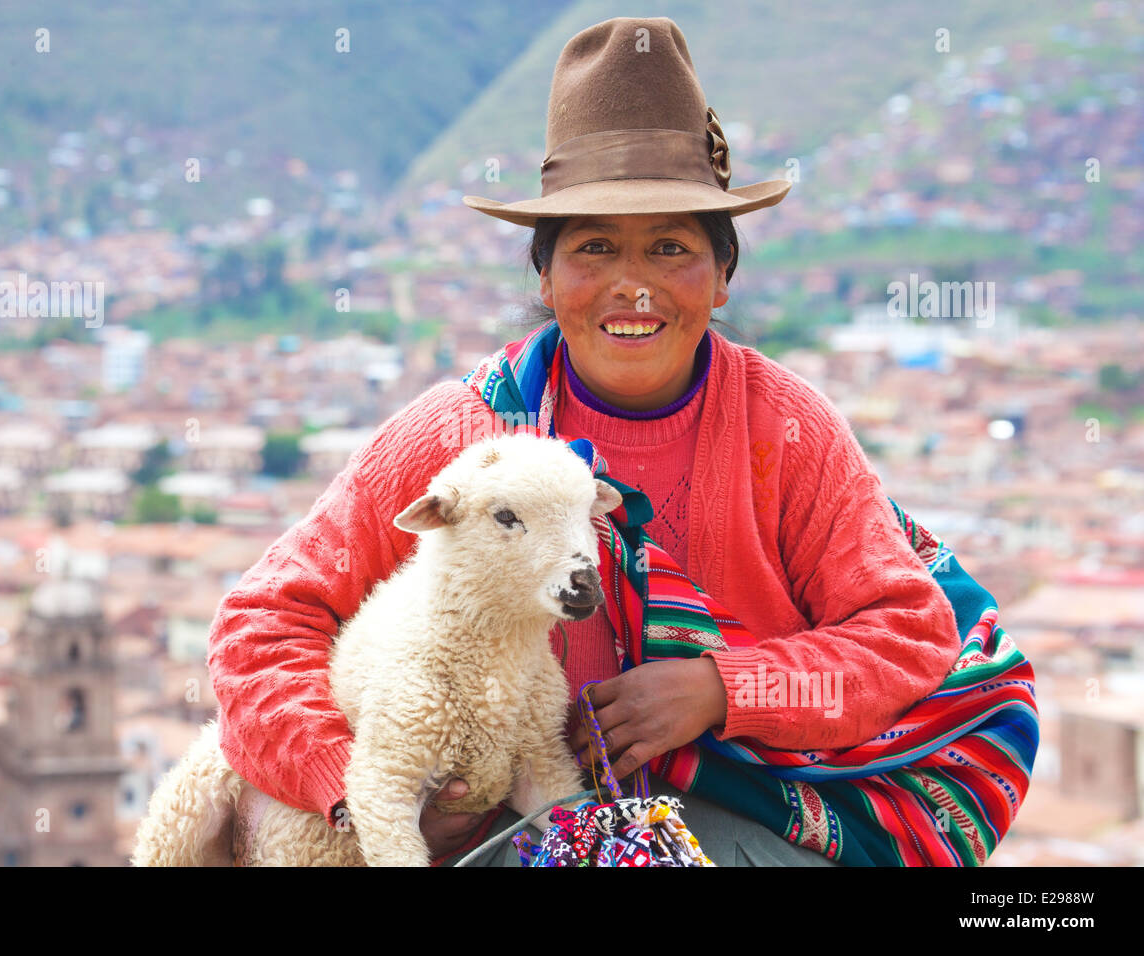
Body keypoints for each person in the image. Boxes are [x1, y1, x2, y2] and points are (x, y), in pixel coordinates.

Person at [208, 16, 961, 866]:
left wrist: (722, 689)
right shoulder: (465, 443)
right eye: (594, 246)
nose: (631, 285)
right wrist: (359, 788)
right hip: (501, 833)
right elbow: (263, 627)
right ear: (545, 275)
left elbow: (908, 634)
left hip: (745, 819)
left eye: (671, 248)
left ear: (721, 278)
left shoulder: (784, 431)